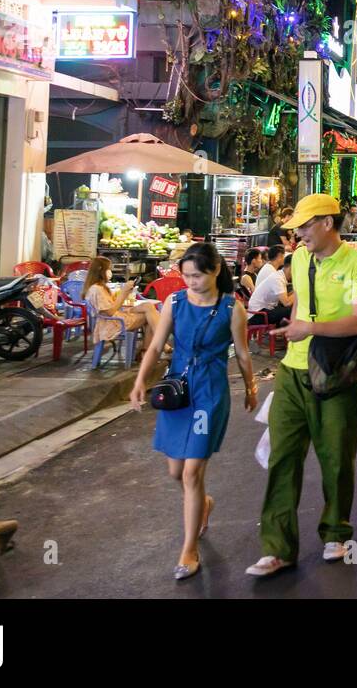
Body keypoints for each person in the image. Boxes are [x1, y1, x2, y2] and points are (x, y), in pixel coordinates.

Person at [248, 194, 357, 576]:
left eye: (305, 226)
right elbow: (301, 304)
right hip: (292, 371)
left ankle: (336, 531)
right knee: (282, 457)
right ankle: (277, 548)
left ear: (327, 223)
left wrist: (310, 329)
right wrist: (295, 329)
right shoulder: (299, 259)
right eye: (295, 228)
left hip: (336, 372)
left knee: (336, 457)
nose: (298, 234)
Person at [129, 242, 255, 580]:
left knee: (191, 473)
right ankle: (204, 503)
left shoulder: (232, 308)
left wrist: (251, 387)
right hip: (178, 391)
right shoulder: (175, 302)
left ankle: (188, 549)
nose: (190, 282)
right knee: (174, 471)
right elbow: (156, 345)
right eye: (186, 276)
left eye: (196, 276)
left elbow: (242, 354)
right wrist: (140, 381)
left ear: (215, 271)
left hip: (210, 392)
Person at [82, 256, 161, 355]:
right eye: (108, 269)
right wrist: (123, 293)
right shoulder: (97, 289)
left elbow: (113, 306)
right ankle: (151, 348)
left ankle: (148, 350)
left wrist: (125, 293)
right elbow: (110, 312)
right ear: (101, 270)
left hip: (115, 317)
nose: (110, 272)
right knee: (151, 316)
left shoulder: (99, 287)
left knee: (149, 307)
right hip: (112, 323)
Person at [247, 250, 294, 326]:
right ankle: (286, 333)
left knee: (288, 308)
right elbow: (287, 303)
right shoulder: (277, 278)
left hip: (264, 310)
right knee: (291, 309)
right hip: (257, 315)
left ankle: (282, 332)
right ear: (291, 267)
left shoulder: (279, 276)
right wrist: (299, 290)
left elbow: (285, 299)